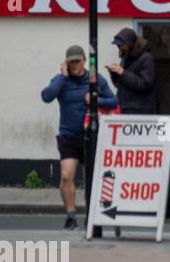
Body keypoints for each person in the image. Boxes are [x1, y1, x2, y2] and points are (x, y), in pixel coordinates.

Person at [41, 45, 118, 230]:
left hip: (92, 136)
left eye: (77, 60)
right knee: (67, 176)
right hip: (69, 136)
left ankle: (92, 216)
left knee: (92, 178)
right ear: (66, 63)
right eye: (71, 62)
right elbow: (46, 96)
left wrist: (95, 101)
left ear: (84, 59)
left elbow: (114, 101)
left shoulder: (95, 79)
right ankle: (71, 215)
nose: (75, 65)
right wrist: (62, 76)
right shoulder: (61, 81)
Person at [106, 26, 158, 114]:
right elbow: (120, 84)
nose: (120, 47)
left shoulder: (146, 58)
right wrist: (114, 73)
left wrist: (122, 72)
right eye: (119, 45)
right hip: (125, 107)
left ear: (130, 43)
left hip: (140, 110)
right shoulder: (126, 56)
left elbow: (145, 84)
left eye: (122, 45)